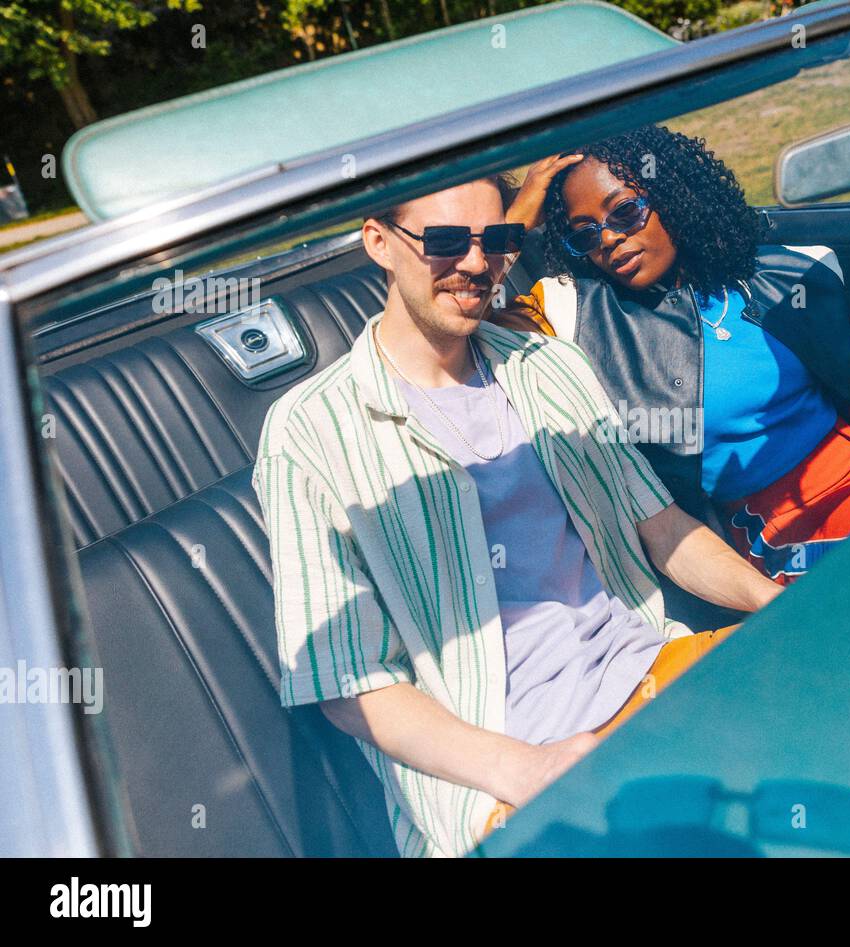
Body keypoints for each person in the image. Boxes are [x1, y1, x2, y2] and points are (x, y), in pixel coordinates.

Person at [253, 174, 781, 858]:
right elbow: (347, 679)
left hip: (654, 667)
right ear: (379, 242)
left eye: (496, 240)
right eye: (445, 241)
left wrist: (777, 602)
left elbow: (660, 524)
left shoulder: (549, 364)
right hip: (500, 776)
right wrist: (526, 769)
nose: (477, 263)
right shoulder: (309, 431)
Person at [499, 127, 850, 583]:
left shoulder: (768, 276)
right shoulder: (569, 314)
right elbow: (457, 317)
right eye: (583, 235)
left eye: (624, 213)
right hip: (788, 519)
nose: (609, 240)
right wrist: (517, 220)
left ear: (670, 197)